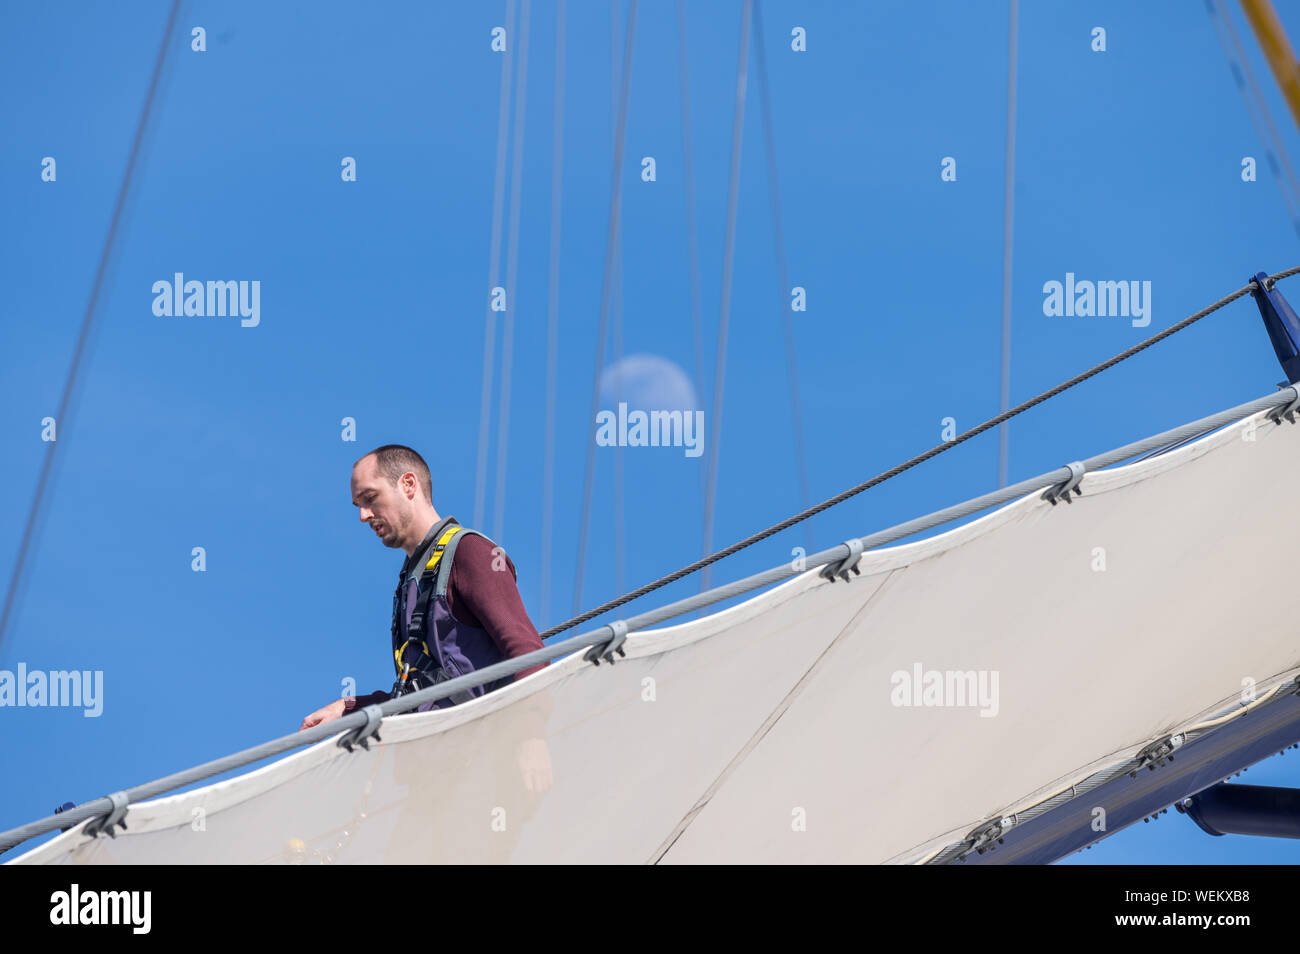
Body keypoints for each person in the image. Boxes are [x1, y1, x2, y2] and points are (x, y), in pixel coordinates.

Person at [298, 445, 554, 792]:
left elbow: (526, 650)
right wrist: (352, 708)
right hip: (436, 779)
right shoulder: (412, 579)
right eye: (358, 505)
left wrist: (531, 738)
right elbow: (429, 690)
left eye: (370, 498)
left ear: (408, 485)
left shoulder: (471, 553)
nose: (363, 515)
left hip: (485, 772)